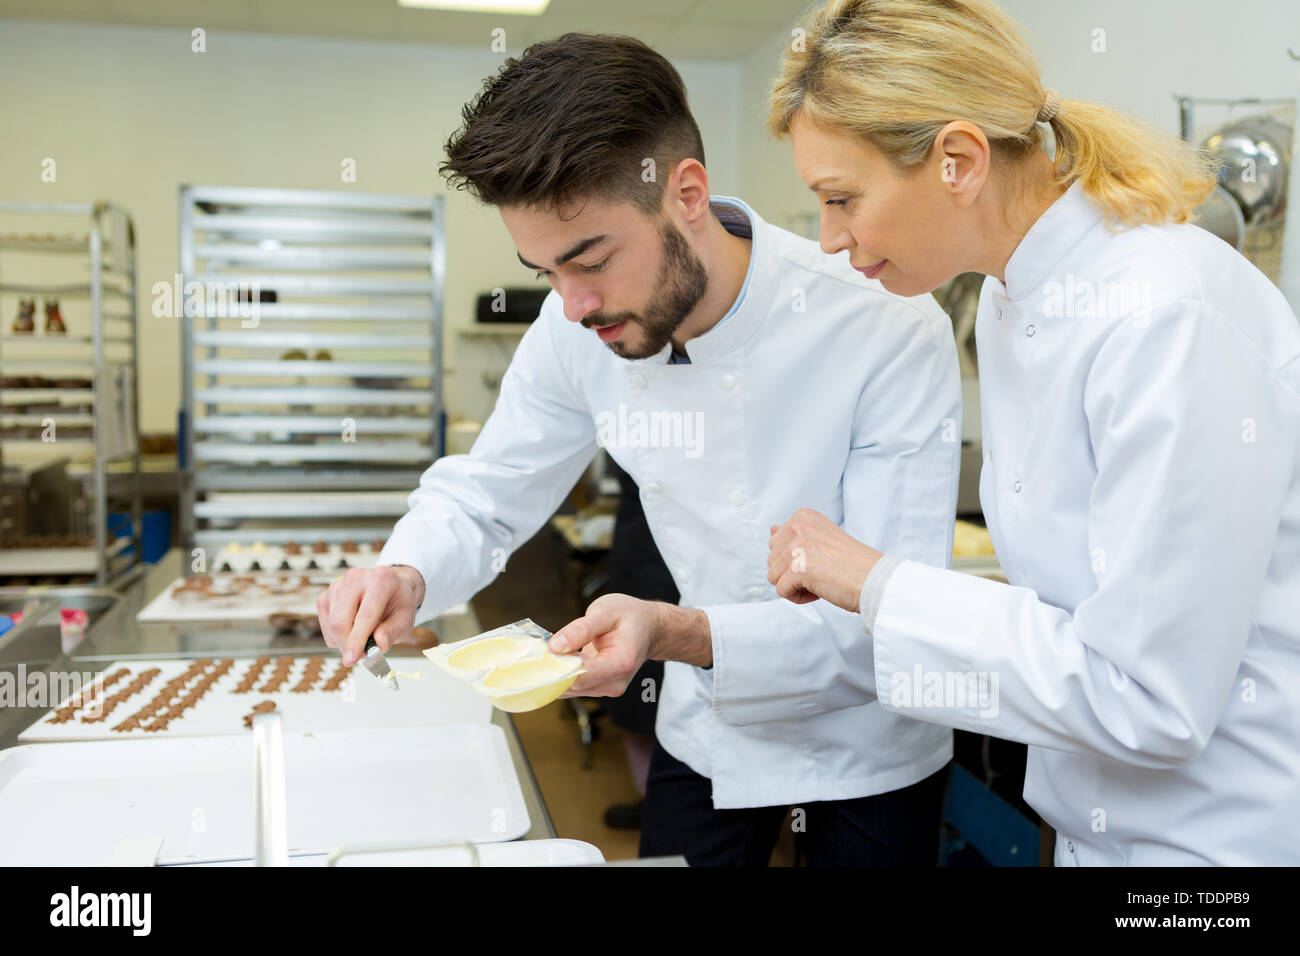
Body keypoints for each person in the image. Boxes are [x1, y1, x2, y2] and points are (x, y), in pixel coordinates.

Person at [317, 33, 962, 866]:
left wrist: (667, 632)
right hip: (709, 728)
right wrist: (406, 572)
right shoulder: (573, 324)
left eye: (590, 259)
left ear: (685, 193)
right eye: (545, 270)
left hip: (869, 750)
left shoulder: (883, 325)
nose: (574, 303)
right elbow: (488, 491)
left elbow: (885, 624)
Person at [761, 0, 1300, 865]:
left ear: (959, 161)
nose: (829, 239)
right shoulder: (1012, 301)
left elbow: (1147, 697)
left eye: (840, 198)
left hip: (1217, 852)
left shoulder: (1165, 314)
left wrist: (881, 585)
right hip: (1097, 829)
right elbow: (1071, 615)